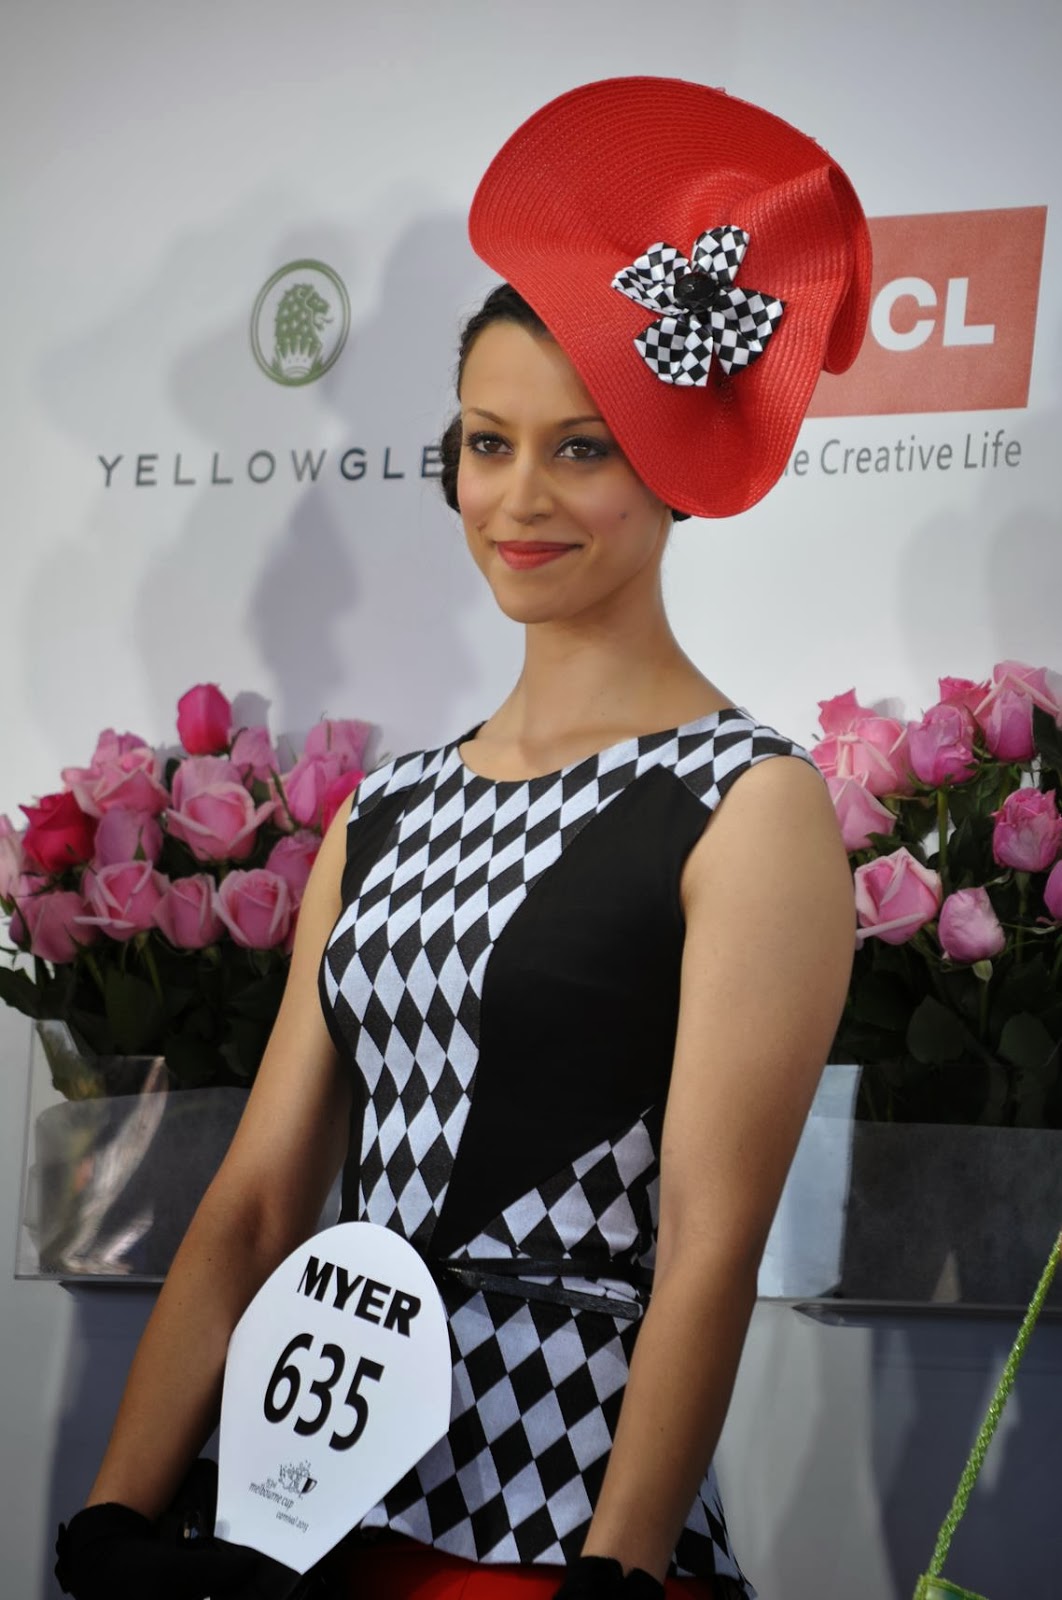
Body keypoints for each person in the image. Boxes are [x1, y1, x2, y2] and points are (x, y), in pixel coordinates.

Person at [54, 75, 870, 1600]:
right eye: (488, 443)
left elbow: (706, 1245)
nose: (517, 496)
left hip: (547, 1527)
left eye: (581, 449)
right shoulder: (391, 809)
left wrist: (614, 1570)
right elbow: (253, 1201)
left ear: (672, 472)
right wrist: (114, 1514)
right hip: (291, 1514)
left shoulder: (747, 804)